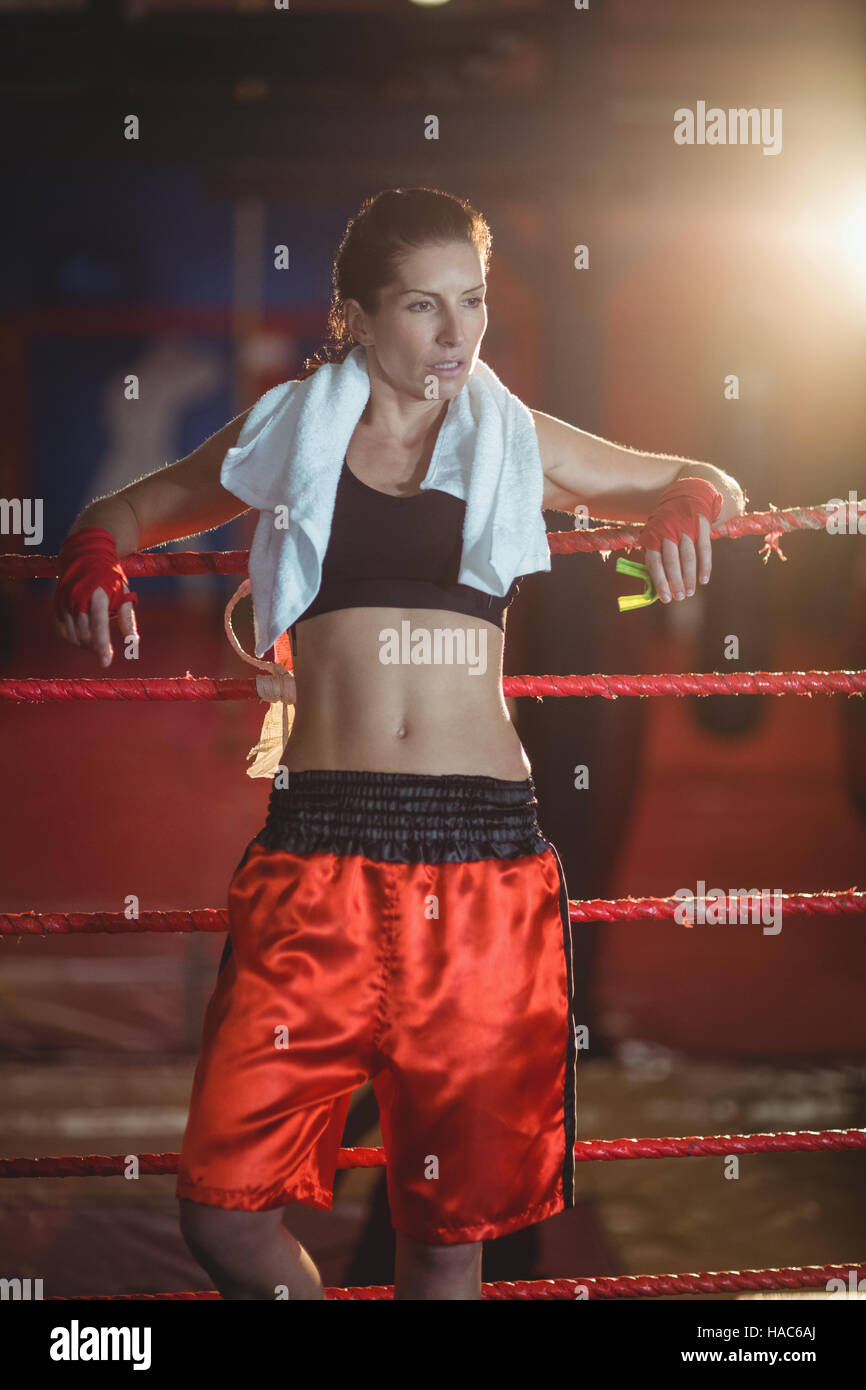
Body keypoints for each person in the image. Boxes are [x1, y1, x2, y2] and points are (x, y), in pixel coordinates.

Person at [53, 187, 745, 1301]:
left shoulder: (510, 432)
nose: (455, 333)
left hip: (482, 863)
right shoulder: (286, 433)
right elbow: (131, 509)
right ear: (356, 317)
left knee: (448, 1232)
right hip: (318, 852)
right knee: (220, 1210)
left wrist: (681, 510)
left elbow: (694, 477)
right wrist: (93, 554)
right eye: (423, 306)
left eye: (468, 303)